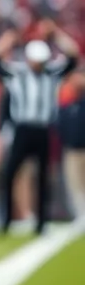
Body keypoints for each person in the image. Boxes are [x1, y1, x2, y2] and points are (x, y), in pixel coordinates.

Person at [0, 21, 79, 236]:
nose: (38, 65)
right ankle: (6, 220)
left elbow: (73, 56)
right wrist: (9, 40)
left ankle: (41, 222)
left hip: (43, 130)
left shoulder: (52, 73)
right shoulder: (17, 74)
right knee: (9, 174)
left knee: (42, 177)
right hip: (22, 129)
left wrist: (56, 34)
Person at [58, 69, 85, 221]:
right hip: (72, 149)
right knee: (74, 184)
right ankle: (80, 214)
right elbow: (60, 126)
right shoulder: (67, 105)